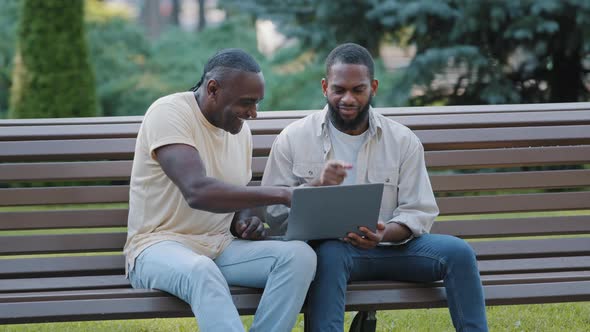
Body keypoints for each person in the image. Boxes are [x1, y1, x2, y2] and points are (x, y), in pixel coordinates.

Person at [261, 43, 488, 331]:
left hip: (395, 248)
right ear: (324, 87)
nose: (348, 98)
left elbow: (418, 211)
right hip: (337, 255)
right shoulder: (294, 138)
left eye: (358, 89)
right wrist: (315, 186)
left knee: (459, 253)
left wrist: (384, 233)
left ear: (374, 87)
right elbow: (275, 214)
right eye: (339, 89)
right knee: (330, 252)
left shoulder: (402, 140)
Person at [124, 48, 317, 332]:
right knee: (202, 270)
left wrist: (244, 220)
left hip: (220, 246)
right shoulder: (169, 113)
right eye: (247, 103)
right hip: (157, 248)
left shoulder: (240, 132)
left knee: (299, 256)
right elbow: (197, 191)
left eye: (257, 103)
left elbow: (236, 193)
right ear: (213, 89)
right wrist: (282, 194)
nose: (254, 113)